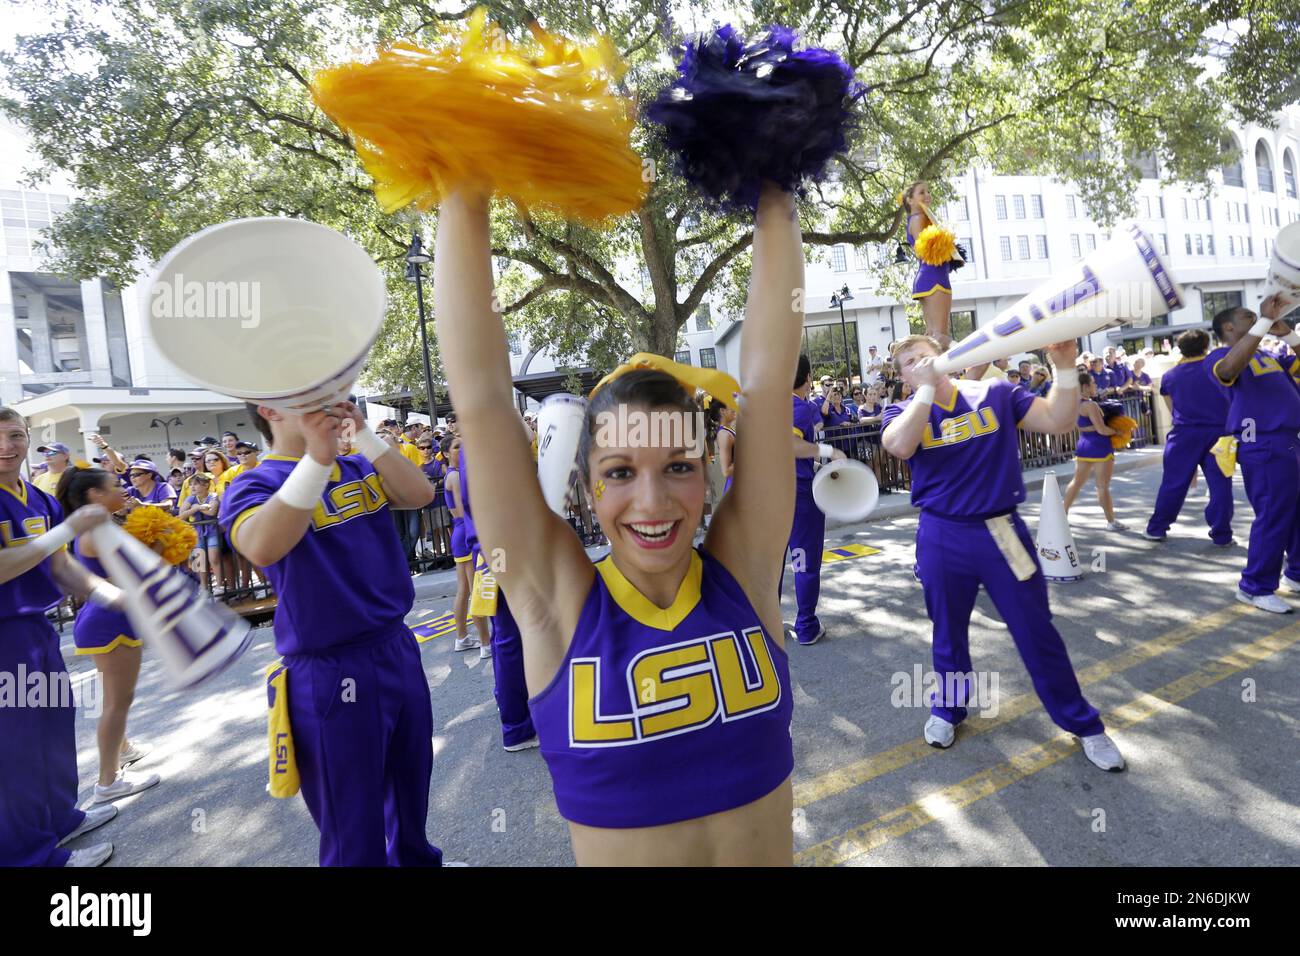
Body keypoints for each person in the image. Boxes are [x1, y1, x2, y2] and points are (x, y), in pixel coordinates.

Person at [434, 182, 805, 865]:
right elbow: (483, 399)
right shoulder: (556, 602)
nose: (653, 501)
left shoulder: (745, 570)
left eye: (678, 467)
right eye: (620, 472)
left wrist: (778, 187)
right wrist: (464, 189)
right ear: (586, 485)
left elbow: (768, 375)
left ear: (707, 471)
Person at [880, 338, 1125, 771]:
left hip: (1001, 529)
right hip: (941, 531)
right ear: (902, 375)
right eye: (910, 363)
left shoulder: (995, 393)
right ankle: (948, 708)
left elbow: (1058, 420)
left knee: (1036, 629)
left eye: (926, 356)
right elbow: (899, 447)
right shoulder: (902, 411)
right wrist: (924, 388)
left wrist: (1065, 366)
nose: (921, 364)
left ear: (947, 358)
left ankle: (1084, 724)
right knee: (947, 629)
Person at [220, 399, 447, 865]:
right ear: (268, 408)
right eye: (304, 390)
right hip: (327, 666)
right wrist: (317, 458)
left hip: (395, 645)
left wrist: (361, 434)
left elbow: (420, 493)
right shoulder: (253, 482)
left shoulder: (358, 464)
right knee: (351, 820)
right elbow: (262, 545)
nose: (324, 396)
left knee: (411, 783)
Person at [0, 406, 125, 867]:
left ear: (29, 437)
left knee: (51, 724)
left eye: (15, 435)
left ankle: (57, 817)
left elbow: (59, 565)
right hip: (2, 634)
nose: (6, 446)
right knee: (12, 745)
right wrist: (66, 533)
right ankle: (26, 856)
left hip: (36, 629)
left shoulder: (37, 496)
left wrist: (109, 594)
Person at [55, 467, 162, 805]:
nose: (124, 488)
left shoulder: (99, 526)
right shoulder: (96, 531)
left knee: (114, 699)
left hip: (108, 619)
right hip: (110, 623)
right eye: (115, 485)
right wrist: (162, 540)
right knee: (118, 702)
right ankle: (107, 783)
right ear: (94, 496)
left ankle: (124, 748)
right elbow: (138, 573)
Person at [1207, 297, 1300, 612]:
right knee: (1273, 514)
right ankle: (1254, 586)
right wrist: (1263, 323)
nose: (1258, 316)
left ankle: (1297, 572)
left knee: (1295, 512)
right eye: (1249, 316)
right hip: (1262, 441)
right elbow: (1229, 369)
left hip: (1287, 440)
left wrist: (1286, 333)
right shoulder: (1221, 355)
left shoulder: (1268, 354)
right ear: (1229, 327)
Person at [1142, 329, 1234, 546]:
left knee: (1173, 483)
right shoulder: (1218, 369)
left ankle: (1157, 527)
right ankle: (1222, 534)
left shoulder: (1171, 376)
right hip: (1219, 433)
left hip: (1184, 433)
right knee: (1221, 484)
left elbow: (1171, 408)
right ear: (1205, 345)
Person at [441, 434, 489, 657]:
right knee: (474, 589)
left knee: (465, 589)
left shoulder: (455, 475)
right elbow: (463, 511)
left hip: (461, 533)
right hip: (464, 533)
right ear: (446, 454)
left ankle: (462, 637)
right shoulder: (455, 477)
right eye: (457, 447)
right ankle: (485, 642)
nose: (462, 450)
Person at [1061, 372, 1126, 530]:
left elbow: (1081, 426)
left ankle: (1062, 516)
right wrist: (1119, 432)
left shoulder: (1072, 403)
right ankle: (1111, 522)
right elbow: (1102, 430)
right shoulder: (1090, 405)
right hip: (1100, 447)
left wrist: (1091, 427)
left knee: (1076, 482)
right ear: (1084, 386)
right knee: (1102, 486)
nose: (1095, 385)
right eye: (1093, 383)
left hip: (1084, 445)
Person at [901, 181, 953, 345]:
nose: (927, 195)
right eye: (921, 192)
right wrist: (947, 240)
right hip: (934, 278)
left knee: (932, 335)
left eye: (928, 191)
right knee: (940, 337)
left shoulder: (918, 218)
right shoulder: (919, 218)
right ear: (910, 200)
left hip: (929, 277)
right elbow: (927, 249)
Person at [178, 472, 221, 590]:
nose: (192, 487)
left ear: (206, 485)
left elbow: (212, 512)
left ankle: (220, 586)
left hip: (212, 531)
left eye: (196, 484)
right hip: (197, 532)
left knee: (214, 558)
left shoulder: (213, 496)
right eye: (191, 485)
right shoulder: (190, 498)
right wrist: (197, 507)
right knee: (199, 560)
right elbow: (181, 515)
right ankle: (203, 587)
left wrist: (196, 509)